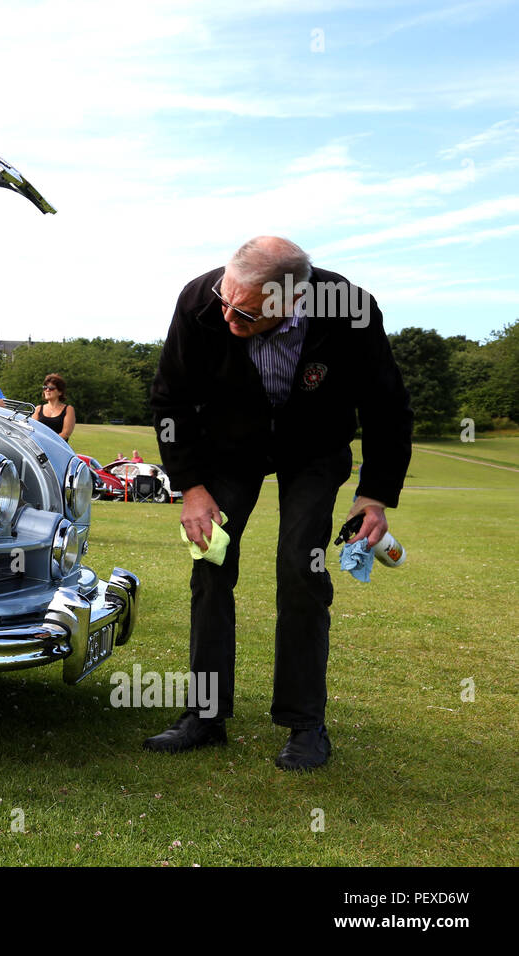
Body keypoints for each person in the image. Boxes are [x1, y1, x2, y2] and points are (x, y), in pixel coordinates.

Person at [147, 236, 412, 771]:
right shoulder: (200, 300)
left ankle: (305, 724)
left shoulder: (351, 310)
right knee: (211, 564)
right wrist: (191, 487)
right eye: (226, 300)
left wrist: (375, 495)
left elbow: (386, 406)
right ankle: (204, 716)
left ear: (293, 301)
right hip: (228, 448)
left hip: (313, 449)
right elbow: (170, 400)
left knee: (300, 567)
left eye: (245, 313)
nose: (226, 317)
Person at [33, 373, 75, 440]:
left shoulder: (68, 409)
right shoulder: (38, 409)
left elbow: (65, 434)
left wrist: (49, 442)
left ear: (60, 392)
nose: (47, 390)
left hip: (58, 448)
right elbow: (33, 430)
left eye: (51, 388)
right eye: (45, 387)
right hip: (39, 448)